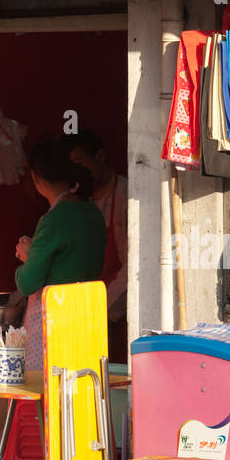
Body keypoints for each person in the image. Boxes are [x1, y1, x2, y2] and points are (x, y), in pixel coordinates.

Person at [13, 140, 107, 368]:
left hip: (55, 325)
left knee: (51, 396)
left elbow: (27, 282)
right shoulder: (93, 213)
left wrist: (26, 255)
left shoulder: (53, 220)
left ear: (37, 179)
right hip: (86, 320)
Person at [62, 129, 128, 357]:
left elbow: (131, 268)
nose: (78, 172)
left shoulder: (125, 196)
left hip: (113, 316)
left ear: (99, 156)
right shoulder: (75, 199)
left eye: (80, 163)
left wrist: (100, 310)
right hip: (80, 312)